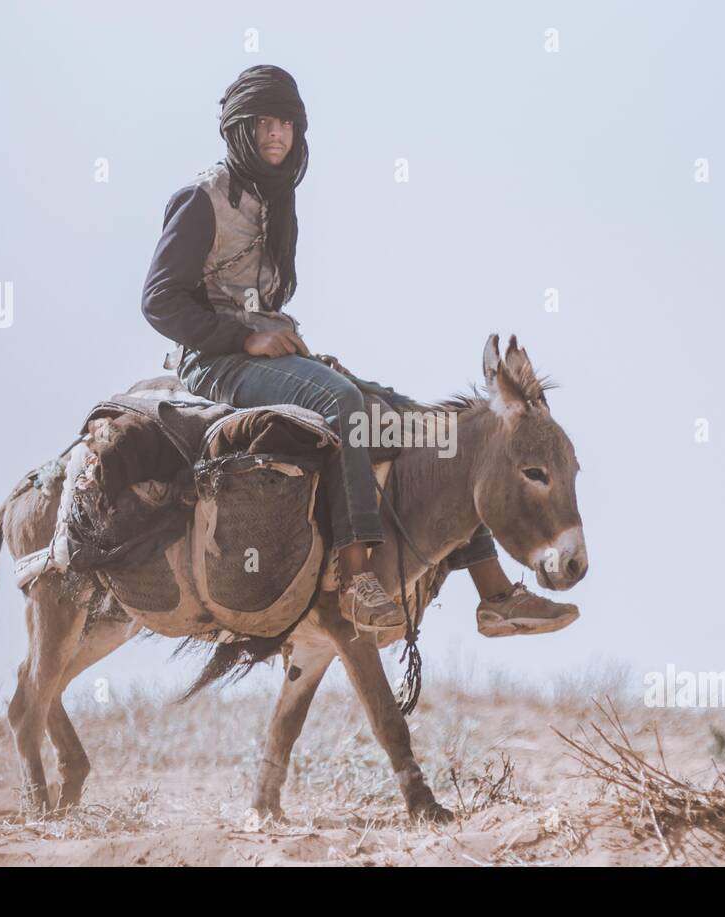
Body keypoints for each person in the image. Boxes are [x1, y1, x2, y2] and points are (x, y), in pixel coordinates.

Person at [141, 64, 577, 637]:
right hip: (216, 363)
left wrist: (270, 340)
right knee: (346, 407)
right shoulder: (202, 199)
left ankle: (494, 595)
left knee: (428, 426)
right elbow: (158, 301)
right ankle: (355, 577)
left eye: (288, 125)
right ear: (241, 130)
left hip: (269, 355)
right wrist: (245, 337)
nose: (277, 135)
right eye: (265, 123)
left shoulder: (278, 201)